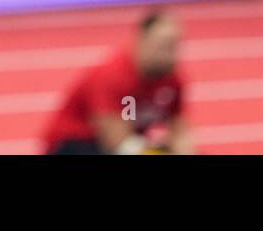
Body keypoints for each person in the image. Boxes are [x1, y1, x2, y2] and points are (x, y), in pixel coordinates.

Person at [43, 10, 194, 155]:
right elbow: (117, 141)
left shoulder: (172, 79)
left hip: (125, 142)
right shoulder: (112, 76)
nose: (170, 54)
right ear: (141, 40)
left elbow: (180, 130)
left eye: (174, 46)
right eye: (163, 45)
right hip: (76, 143)